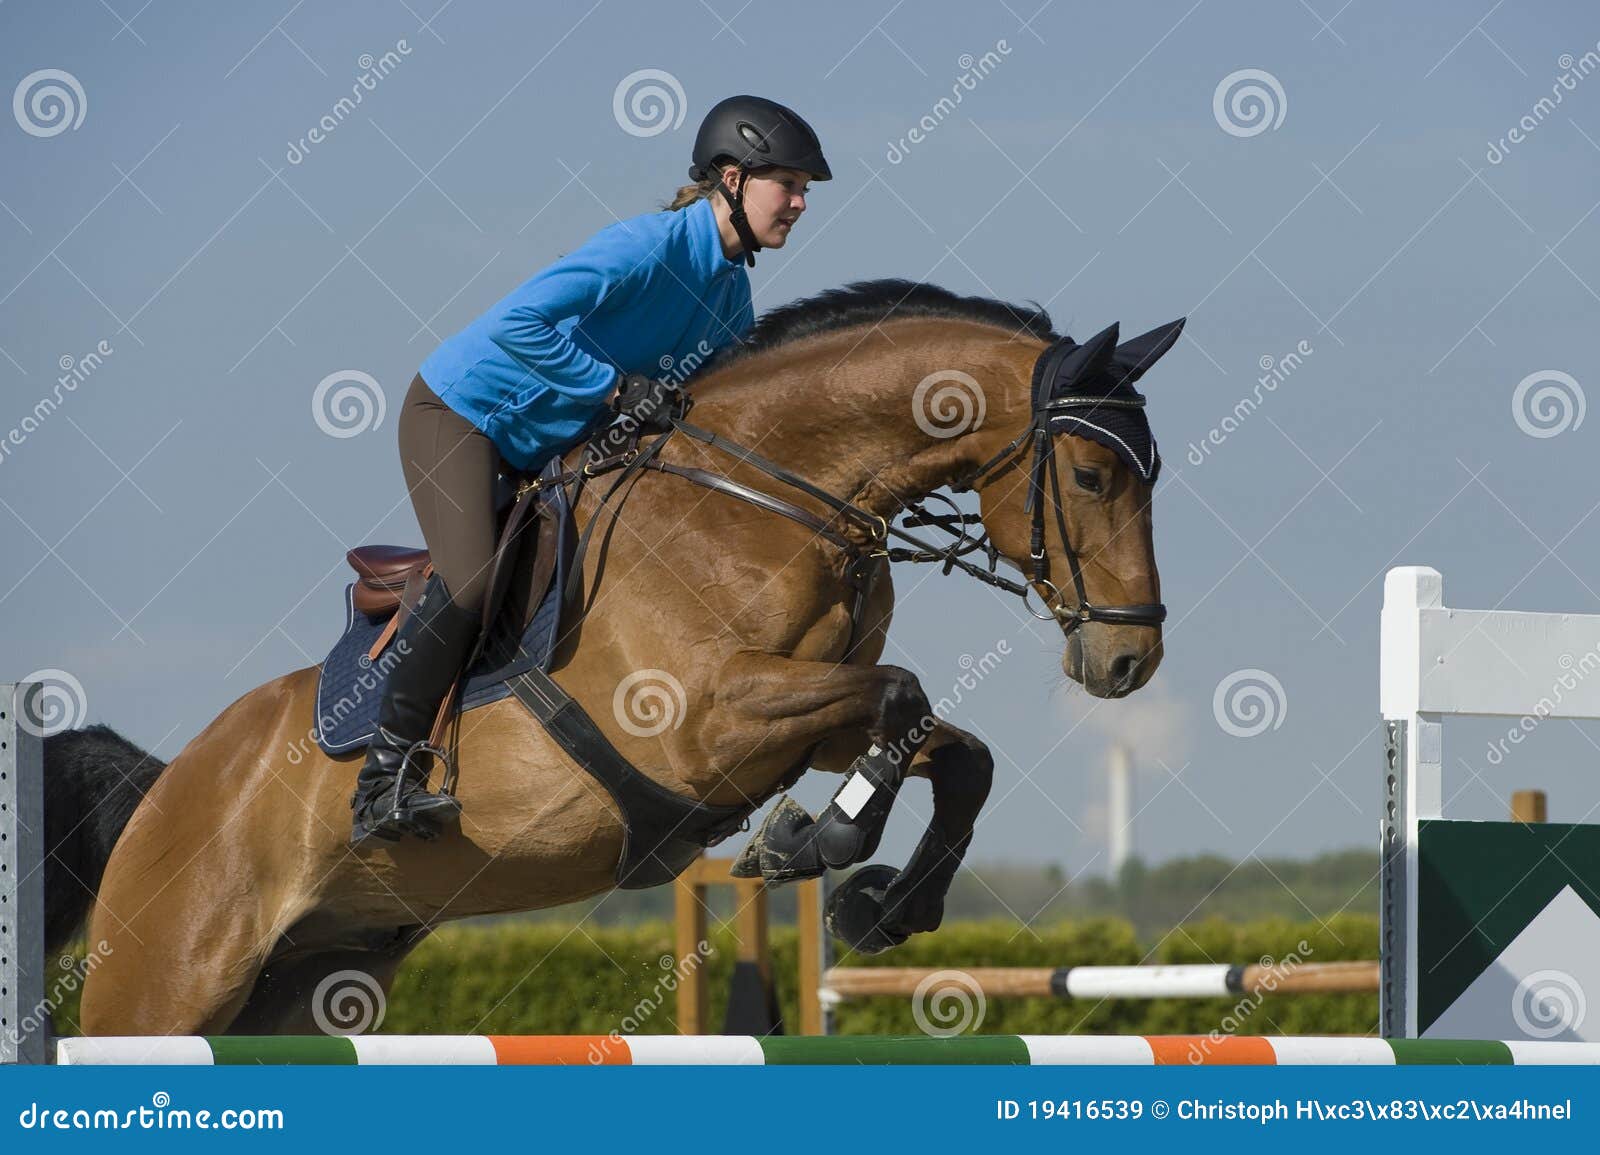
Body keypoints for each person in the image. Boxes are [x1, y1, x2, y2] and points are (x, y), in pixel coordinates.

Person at [349, 94, 833, 849]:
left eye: (805, 190)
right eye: (790, 185)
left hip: (552, 447)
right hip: (463, 414)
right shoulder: (646, 247)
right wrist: (613, 388)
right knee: (475, 580)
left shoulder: (732, 298)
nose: (802, 203)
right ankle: (382, 779)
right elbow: (518, 324)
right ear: (732, 179)